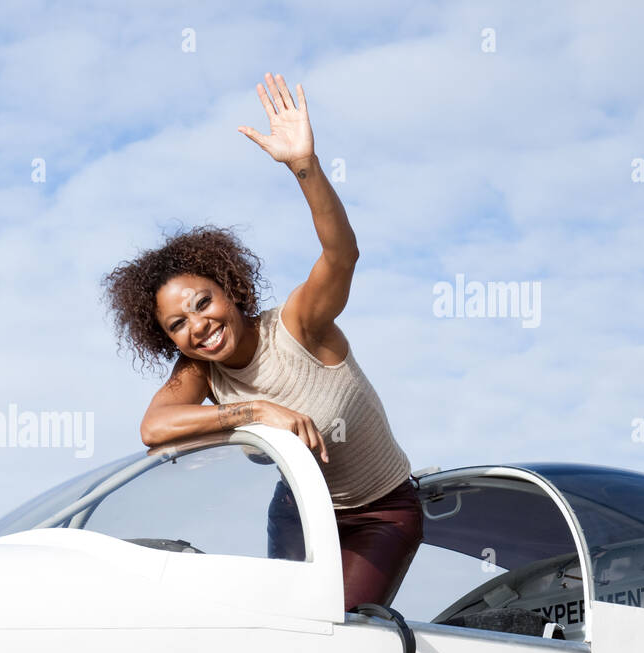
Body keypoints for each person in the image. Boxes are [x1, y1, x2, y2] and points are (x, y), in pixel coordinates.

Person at [100, 72, 422, 612]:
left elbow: (342, 256)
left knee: (338, 628)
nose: (197, 326)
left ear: (231, 289)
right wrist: (256, 411)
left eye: (203, 304)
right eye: (177, 325)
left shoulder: (300, 325)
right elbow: (154, 428)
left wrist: (304, 166)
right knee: (287, 628)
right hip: (301, 509)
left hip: (381, 510)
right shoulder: (201, 371)